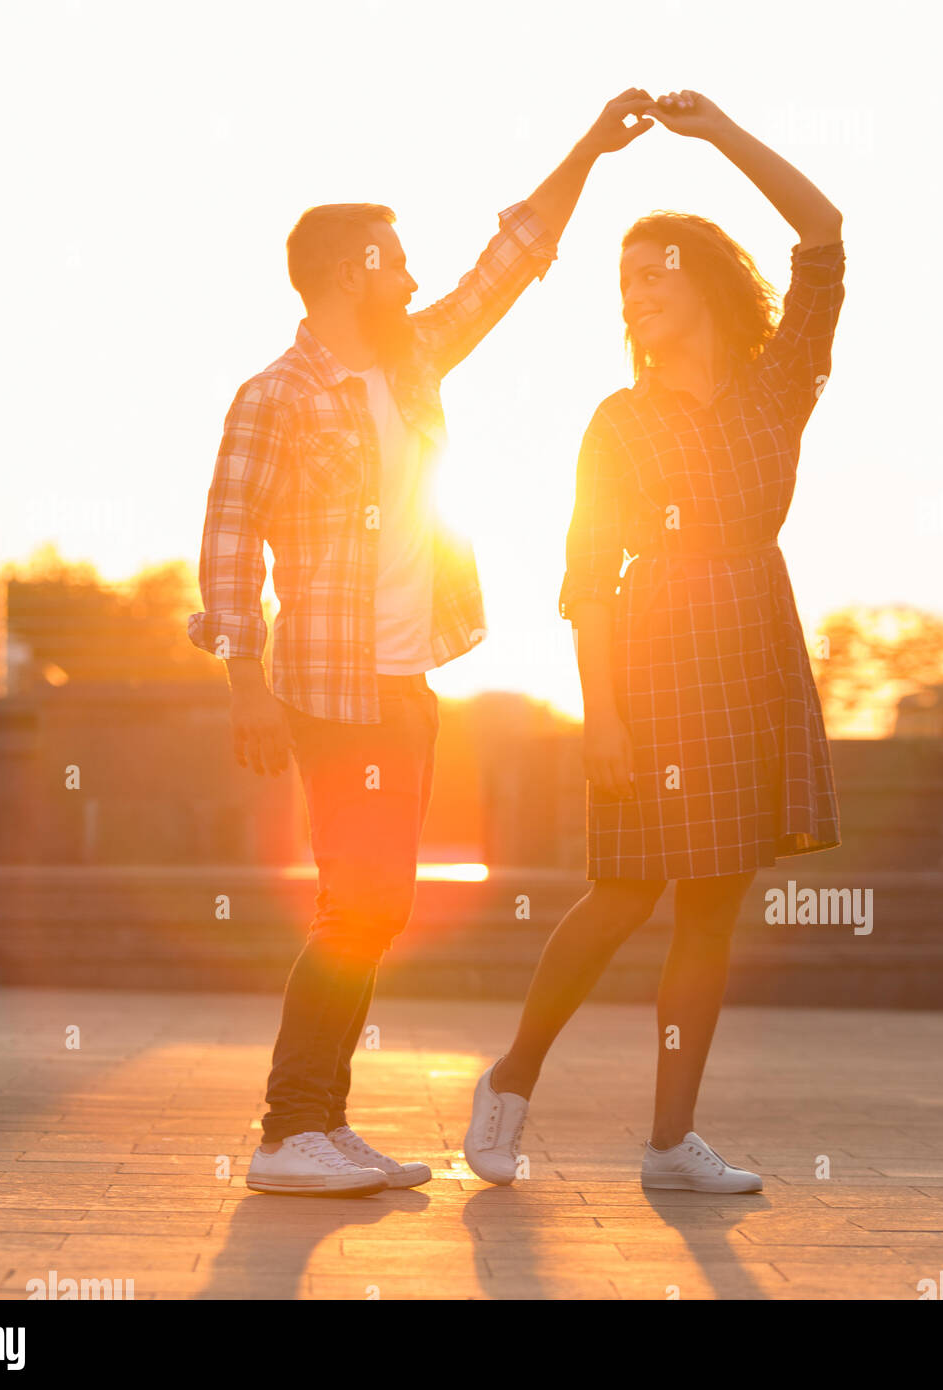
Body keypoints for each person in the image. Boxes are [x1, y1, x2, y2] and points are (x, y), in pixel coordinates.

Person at [188, 91, 657, 1196]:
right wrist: (242, 681)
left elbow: (514, 259)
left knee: (374, 904)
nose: (412, 276)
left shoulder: (409, 364)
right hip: (326, 687)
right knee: (360, 904)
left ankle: (318, 1119)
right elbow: (224, 541)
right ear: (351, 269)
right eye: (395, 260)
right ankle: (288, 1127)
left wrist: (588, 145)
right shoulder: (276, 395)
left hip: (403, 683)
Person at [464, 90, 846, 1194]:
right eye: (624, 275)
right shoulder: (616, 422)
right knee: (625, 892)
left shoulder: (779, 384)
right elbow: (587, 578)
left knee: (713, 906)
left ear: (706, 280)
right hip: (650, 650)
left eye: (656, 264)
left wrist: (719, 131)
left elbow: (821, 235)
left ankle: (671, 1141)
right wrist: (605, 714)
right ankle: (512, 1078)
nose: (634, 286)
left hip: (752, 644)